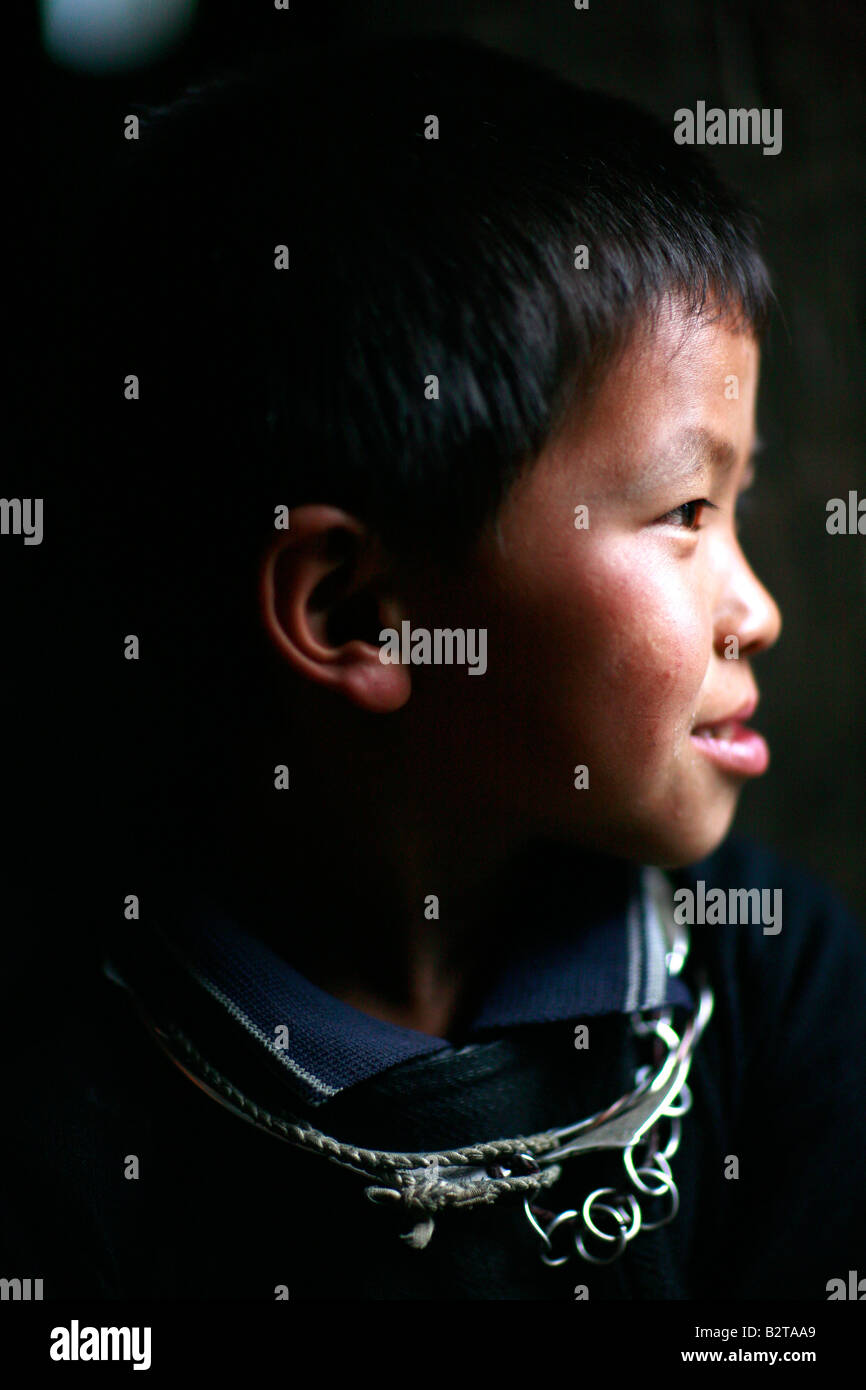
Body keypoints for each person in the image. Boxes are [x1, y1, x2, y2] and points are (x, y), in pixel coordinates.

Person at [5, 33, 865, 1301]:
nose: (758, 610)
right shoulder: (65, 1116)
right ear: (360, 613)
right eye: (685, 509)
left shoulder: (773, 977)